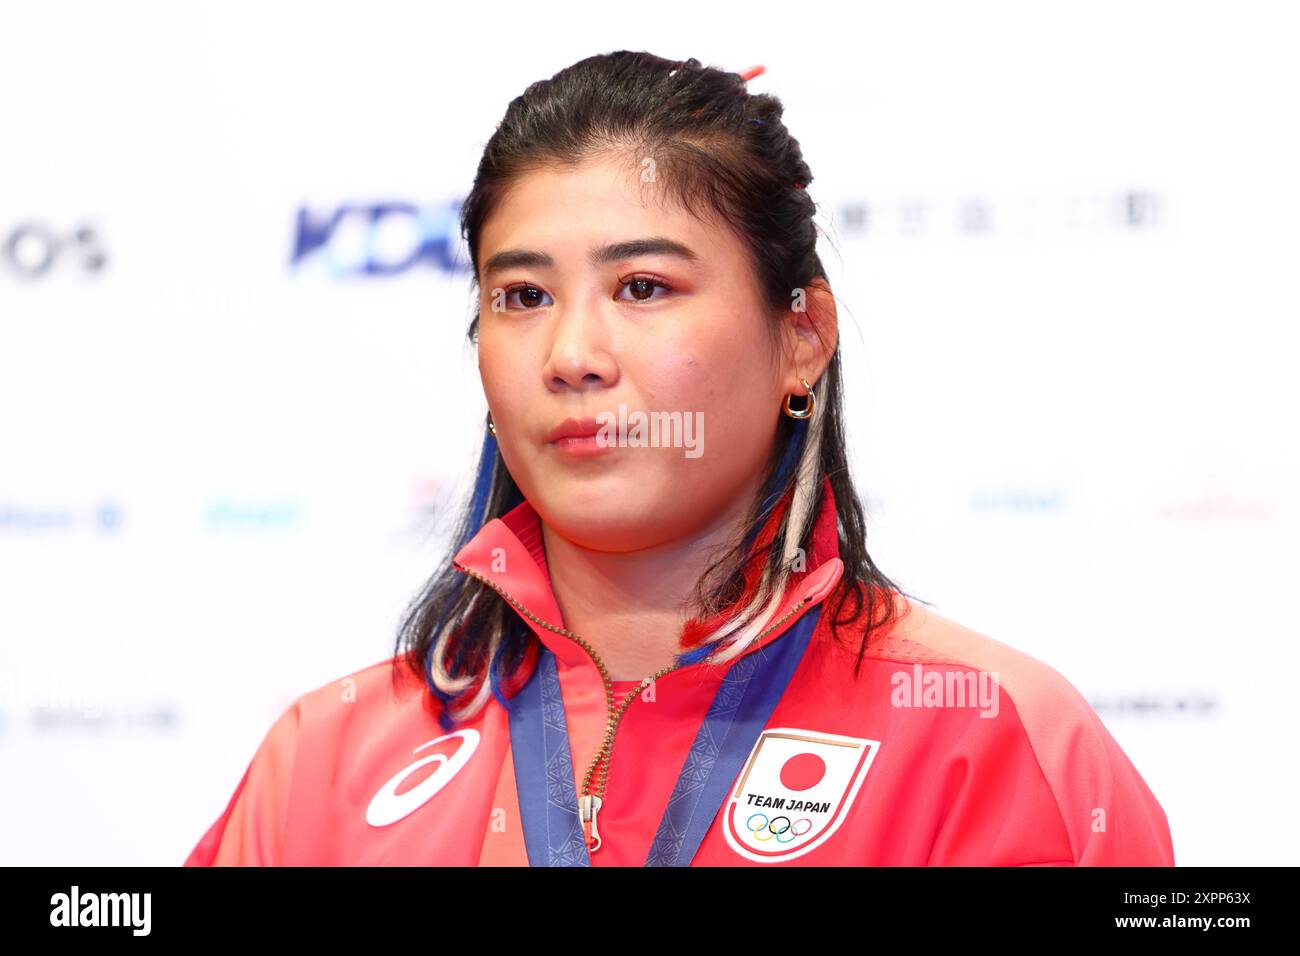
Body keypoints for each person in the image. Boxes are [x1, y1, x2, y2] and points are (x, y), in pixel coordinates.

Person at [184, 51, 1174, 867]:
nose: (572, 356)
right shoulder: (325, 764)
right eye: (522, 296)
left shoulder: (987, 743)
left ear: (800, 335)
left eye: (644, 286)